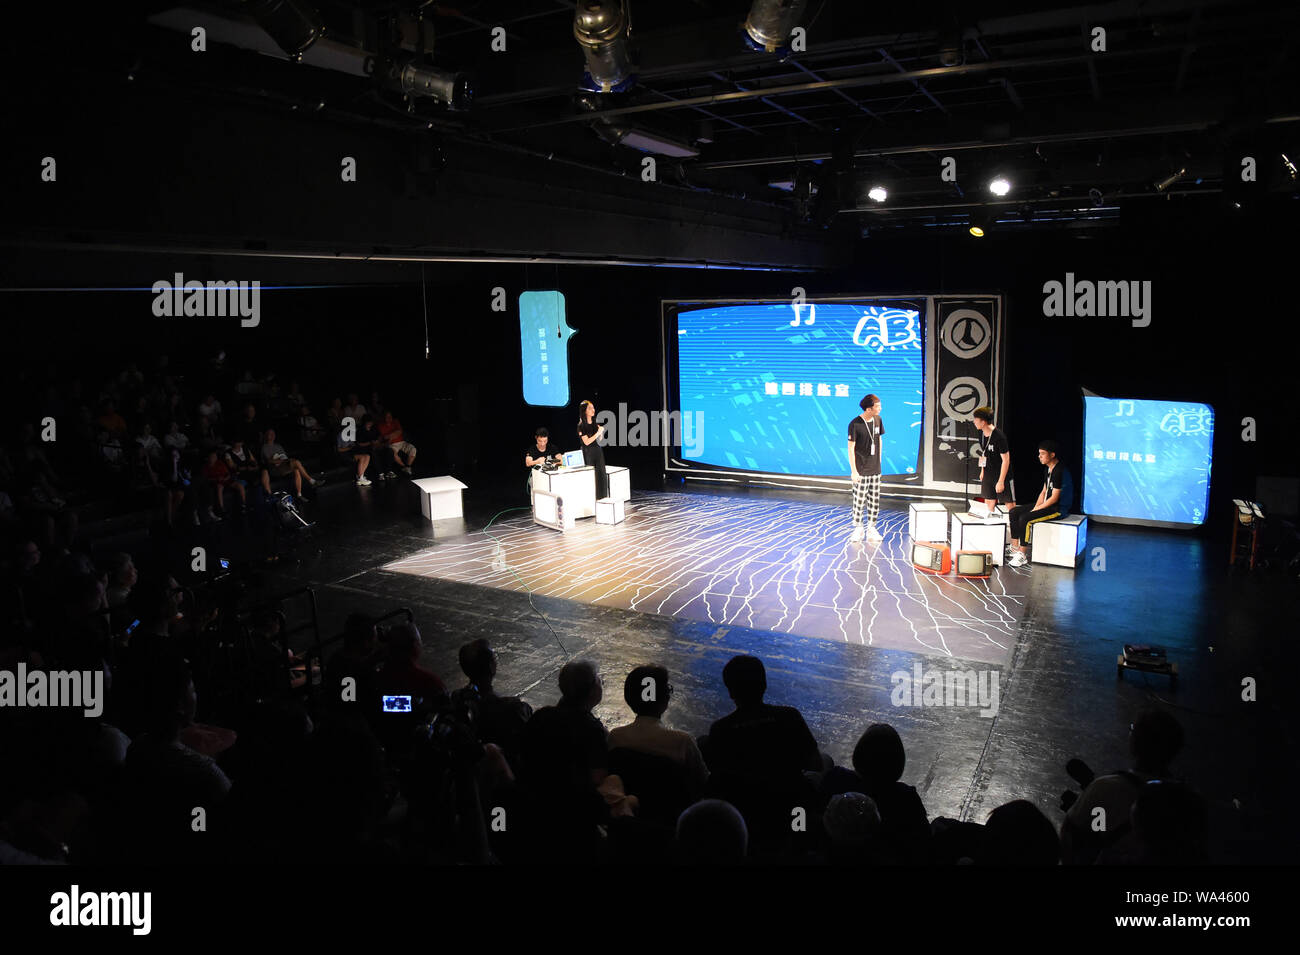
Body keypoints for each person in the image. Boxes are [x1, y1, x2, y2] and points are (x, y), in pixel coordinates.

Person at [1007, 439, 1072, 566]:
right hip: (1047, 504)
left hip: (1057, 509)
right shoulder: (1047, 469)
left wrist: (1038, 509)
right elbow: (1043, 491)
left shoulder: (1059, 471)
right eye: (1039, 453)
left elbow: (1054, 498)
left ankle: (1022, 554)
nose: (1039, 456)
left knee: (1026, 518)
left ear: (1052, 455)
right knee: (1014, 512)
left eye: (1042, 453)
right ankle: (1014, 547)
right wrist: (1037, 506)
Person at [847, 393, 885, 543]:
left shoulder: (878, 420)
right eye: (878, 406)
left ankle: (871, 528)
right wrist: (854, 471)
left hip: (875, 468)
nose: (880, 408)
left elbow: (879, 440)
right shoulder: (855, 424)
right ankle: (858, 529)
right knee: (859, 500)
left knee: (874, 500)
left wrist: (879, 461)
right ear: (869, 409)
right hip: (861, 470)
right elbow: (851, 448)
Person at [260, 428, 320, 499]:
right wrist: (280, 460)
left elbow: (284, 457)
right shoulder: (265, 447)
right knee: (296, 463)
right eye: (270, 434)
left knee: (296, 466)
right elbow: (269, 461)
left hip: (283, 466)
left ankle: (299, 494)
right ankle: (311, 481)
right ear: (266, 436)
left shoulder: (278, 446)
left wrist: (284, 460)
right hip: (274, 469)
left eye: (273, 434)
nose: (272, 435)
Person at [972, 406, 1012, 506]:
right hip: (988, 473)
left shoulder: (999, 436)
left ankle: (1012, 521)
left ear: (983, 422)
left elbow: (1006, 460)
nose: (974, 422)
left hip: (1002, 473)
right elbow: (983, 453)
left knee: (1009, 504)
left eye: (976, 419)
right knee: (989, 503)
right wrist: (982, 470)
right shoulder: (981, 434)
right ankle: (990, 521)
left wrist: (1001, 481)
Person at [576, 400, 609, 501]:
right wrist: (598, 433)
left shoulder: (595, 423)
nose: (593, 410)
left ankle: (602, 497)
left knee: (601, 474)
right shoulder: (581, 425)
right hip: (588, 452)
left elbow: (600, 440)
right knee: (590, 475)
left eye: (593, 408)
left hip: (598, 451)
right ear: (584, 411)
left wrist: (601, 433)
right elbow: (586, 442)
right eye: (590, 408)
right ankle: (590, 499)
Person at [377, 411, 416, 475]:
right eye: (387, 417)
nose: (389, 418)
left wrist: (390, 435)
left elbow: (399, 431)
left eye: (390, 417)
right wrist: (394, 434)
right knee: (393, 453)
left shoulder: (395, 421)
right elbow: (385, 437)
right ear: (384, 417)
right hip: (392, 444)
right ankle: (404, 467)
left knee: (413, 449)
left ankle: (408, 467)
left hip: (402, 442)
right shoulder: (381, 425)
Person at [525, 427, 562, 493]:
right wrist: (537, 461)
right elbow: (528, 463)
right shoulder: (532, 449)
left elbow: (560, 460)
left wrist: (550, 461)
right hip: (537, 476)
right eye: (540, 441)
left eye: (545, 441)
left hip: (551, 474)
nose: (542, 444)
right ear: (536, 438)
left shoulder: (552, 447)